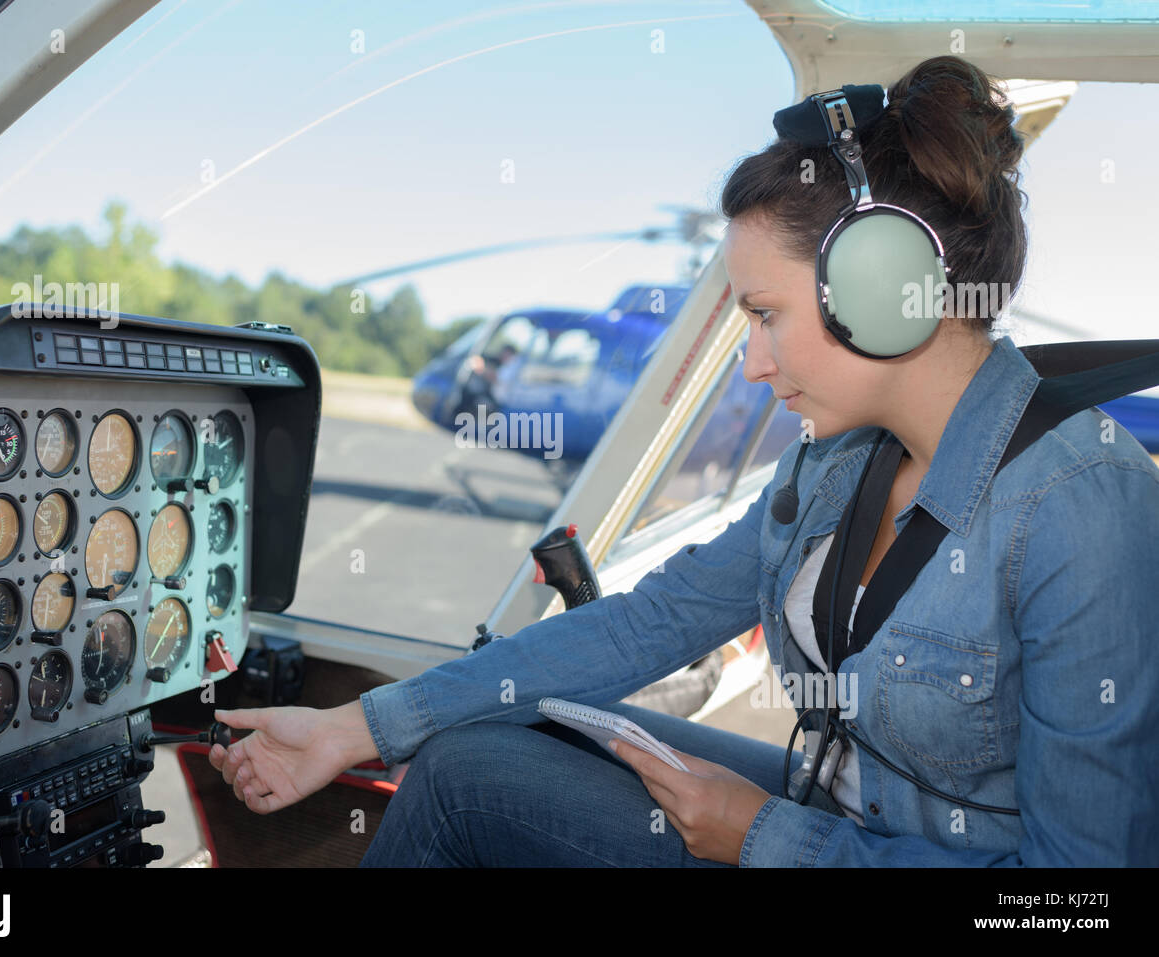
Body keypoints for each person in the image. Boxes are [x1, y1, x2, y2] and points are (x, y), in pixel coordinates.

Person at [208, 55, 1159, 866]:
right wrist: (354, 726)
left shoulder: (1083, 505)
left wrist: (766, 839)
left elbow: (1073, 903)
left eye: (765, 314)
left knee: (462, 785)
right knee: (494, 731)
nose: (752, 360)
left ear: (889, 288)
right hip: (829, 810)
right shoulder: (833, 467)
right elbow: (644, 626)